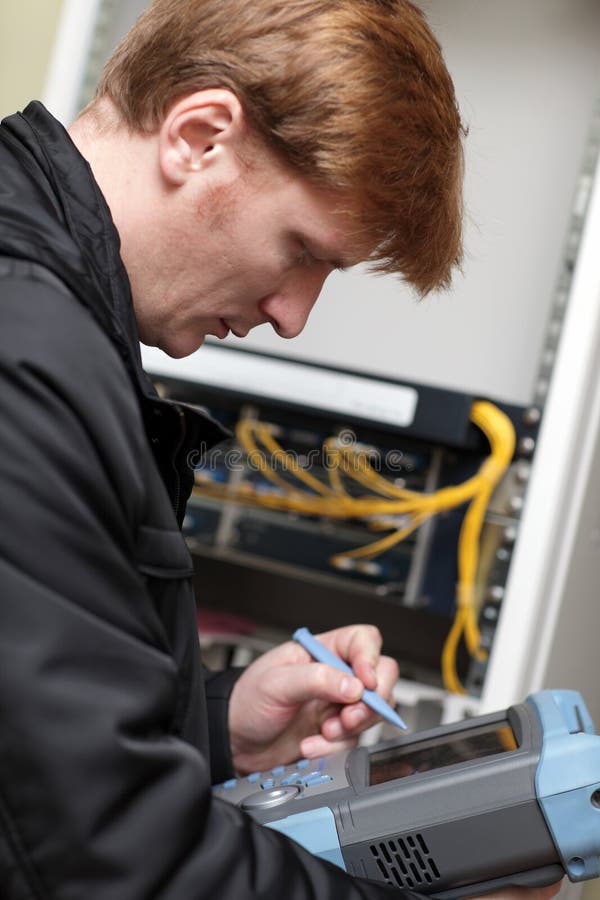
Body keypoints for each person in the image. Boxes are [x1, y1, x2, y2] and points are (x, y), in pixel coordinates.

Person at [0, 1, 561, 898]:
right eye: (302, 251)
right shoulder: (23, 353)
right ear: (200, 134)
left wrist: (219, 724)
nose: (293, 319)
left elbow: (33, 758)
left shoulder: (52, 324)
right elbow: (109, 859)